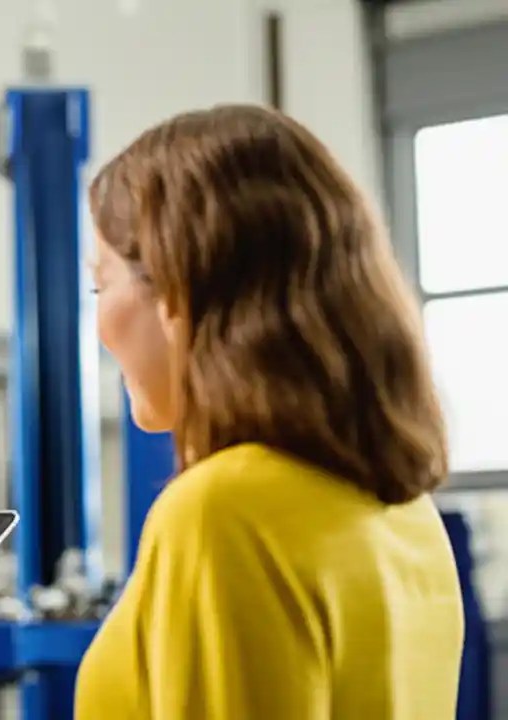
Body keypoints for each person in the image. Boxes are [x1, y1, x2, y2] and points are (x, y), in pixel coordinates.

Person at [73, 104, 464, 719]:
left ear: (177, 292)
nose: (97, 327)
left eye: (102, 286)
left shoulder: (222, 510)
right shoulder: (406, 512)